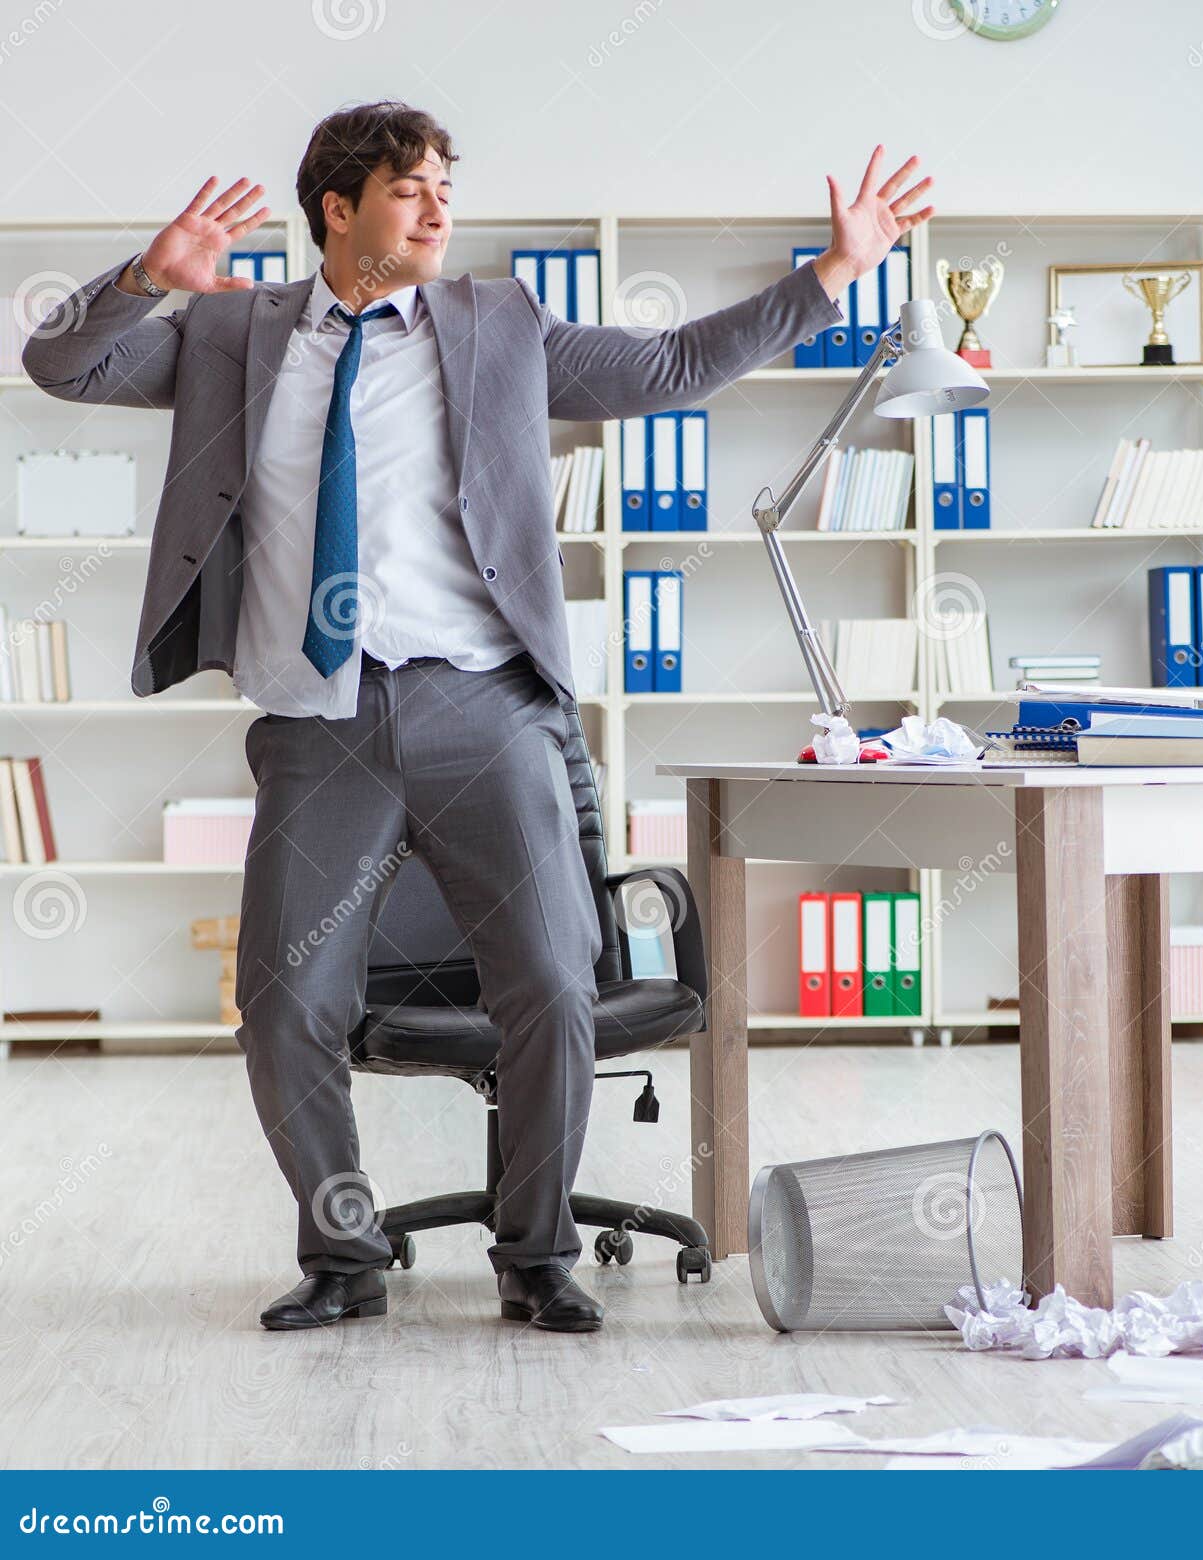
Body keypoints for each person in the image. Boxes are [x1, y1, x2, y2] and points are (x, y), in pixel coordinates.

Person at [23, 101, 933, 1334]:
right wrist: (146, 279)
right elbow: (60, 362)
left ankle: (534, 1254)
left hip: (481, 705)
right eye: (411, 188)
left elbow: (665, 372)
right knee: (286, 1004)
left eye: (449, 184)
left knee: (554, 990)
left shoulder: (497, 323)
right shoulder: (236, 334)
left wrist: (831, 276)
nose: (441, 207)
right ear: (337, 210)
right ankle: (344, 1258)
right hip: (318, 721)